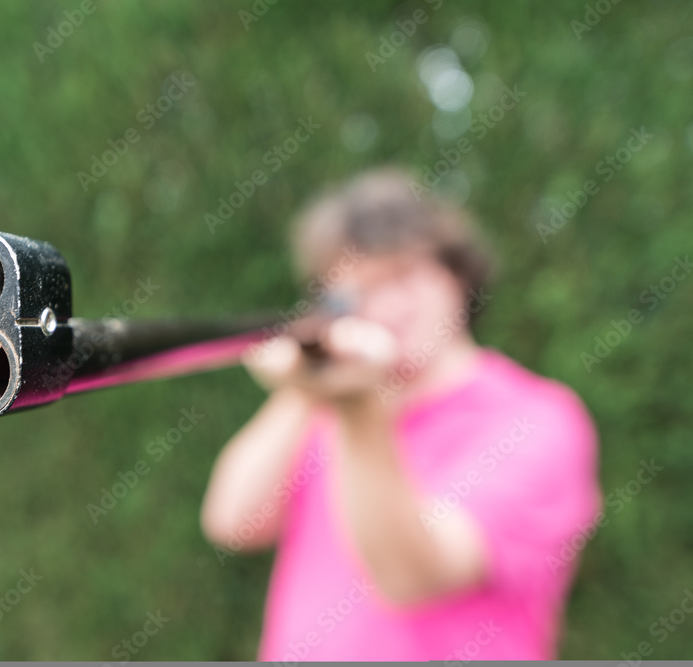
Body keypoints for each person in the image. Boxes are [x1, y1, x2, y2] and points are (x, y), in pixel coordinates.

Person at [199, 169, 602, 661]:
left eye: (402, 276)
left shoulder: (536, 420)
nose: (386, 306)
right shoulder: (324, 411)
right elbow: (234, 522)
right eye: (359, 291)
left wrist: (355, 404)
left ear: (456, 276)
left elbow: (411, 577)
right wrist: (309, 378)